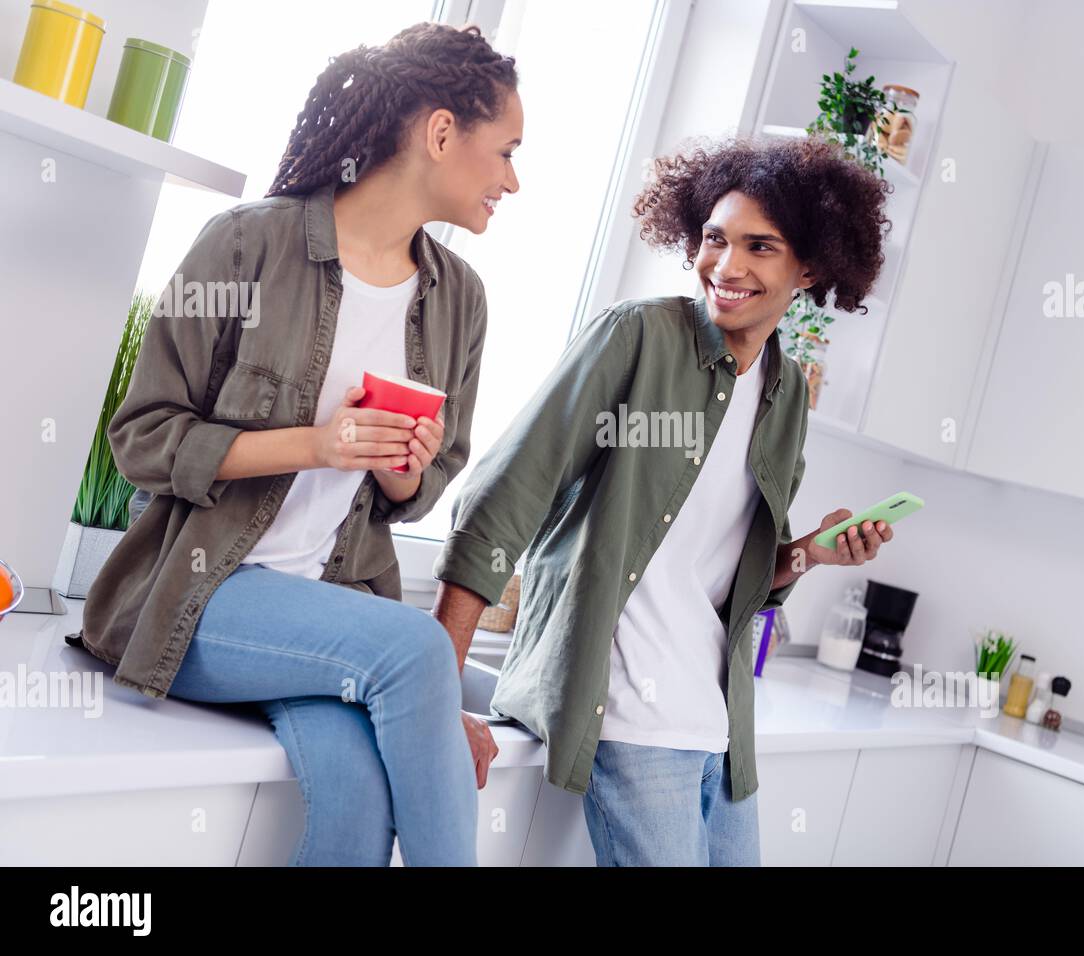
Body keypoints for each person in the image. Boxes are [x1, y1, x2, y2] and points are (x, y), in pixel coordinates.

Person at [70, 21, 519, 866]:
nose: (513, 179)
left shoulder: (460, 298)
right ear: (441, 132)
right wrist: (317, 443)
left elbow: (423, 488)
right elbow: (142, 439)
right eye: (505, 151)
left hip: (334, 607)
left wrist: (400, 473)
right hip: (204, 594)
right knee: (421, 646)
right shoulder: (247, 243)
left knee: (353, 804)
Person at [432, 135, 894, 865]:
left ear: (808, 268)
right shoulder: (637, 338)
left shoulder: (787, 394)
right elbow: (503, 501)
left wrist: (811, 555)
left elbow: (727, 577)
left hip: (719, 726)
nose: (728, 266)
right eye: (715, 238)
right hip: (632, 720)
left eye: (760, 247)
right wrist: (435, 697)